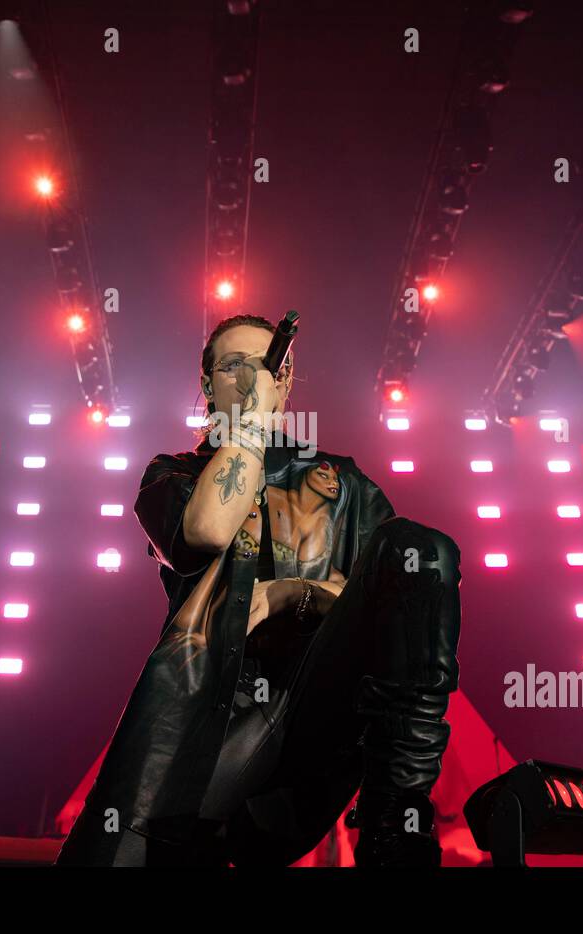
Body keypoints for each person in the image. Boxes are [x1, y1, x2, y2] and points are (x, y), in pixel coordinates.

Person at [55, 314, 463, 867]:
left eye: (269, 368)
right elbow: (208, 531)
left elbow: (399, 612)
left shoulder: (344, 484)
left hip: (315, 703)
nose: (253, 379)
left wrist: (290, 594)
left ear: (287, 383)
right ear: (206, 386)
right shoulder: (170, 474)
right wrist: (250, 423)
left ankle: (395, 828)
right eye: (235, 366)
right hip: (205, 709)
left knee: (424, 549)